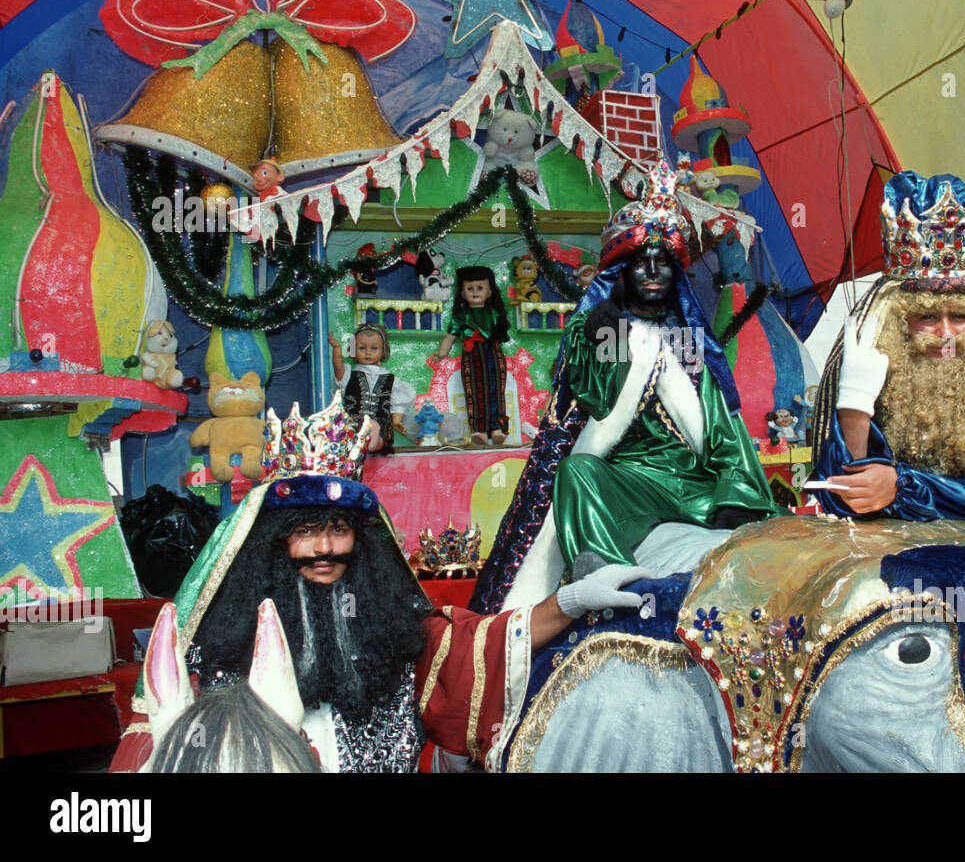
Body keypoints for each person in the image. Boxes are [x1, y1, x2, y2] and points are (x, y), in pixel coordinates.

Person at [109, 394, 648, 772]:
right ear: (271, 545)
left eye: (338, 530)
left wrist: (571, 600)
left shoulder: (392, 631)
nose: (323, 549)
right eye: (304, 533)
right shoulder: (216, 657)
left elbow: (477, 649)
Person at [471, 159, 781, 614]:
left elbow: (723, 434)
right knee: (576, 473)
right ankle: (614, 577)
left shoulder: (690, 344)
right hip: (627, 483)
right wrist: (608, 329)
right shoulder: (602, 329)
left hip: (692, 486)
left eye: (663, 263)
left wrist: (734, 499)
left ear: (677, 275)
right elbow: (594, 398)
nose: (653, 271)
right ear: (621, 273)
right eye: (641, 263)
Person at [809, 171, 965, 527]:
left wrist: (899, 486)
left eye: (963, 316)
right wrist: (855, 409)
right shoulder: (878, 385)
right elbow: (837, 496)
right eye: (928, 316)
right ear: (900, 322)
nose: (946, 333)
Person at [432, 266, 511, 446]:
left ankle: (498, 429)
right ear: (462, 293)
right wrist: (442, 352)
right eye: (470, 288)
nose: (475, 292)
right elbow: (450, 337)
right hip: (471, 355)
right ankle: (479, 431)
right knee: (474, 392)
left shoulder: (493, 314)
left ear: (489, 292)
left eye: (480, 288)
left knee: (496, 391)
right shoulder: (460, 317)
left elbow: (501, 334)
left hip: (493, 353)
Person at [330, 323, 414, 452]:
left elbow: (398, 405)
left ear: (383, 351)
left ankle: (373, 442)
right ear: (353, 350)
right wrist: (336, 348)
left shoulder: (392, 380)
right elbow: (338, 367)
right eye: (362, 348)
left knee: (378, 433)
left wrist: (397, 421)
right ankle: (364, 440)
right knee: (352, 432)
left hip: (381, 431)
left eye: (374, 349)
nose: (368, 352)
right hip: (352, 430)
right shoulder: (349, 375)